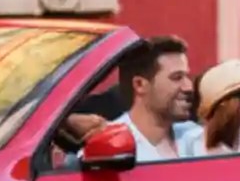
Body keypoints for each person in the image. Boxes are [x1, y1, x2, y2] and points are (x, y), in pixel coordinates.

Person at [63, 35, 199, 163]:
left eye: (187, 77)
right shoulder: (108, 146)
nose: (189, 87)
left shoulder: (196, 136)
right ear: (140, 84)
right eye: (176, 78)